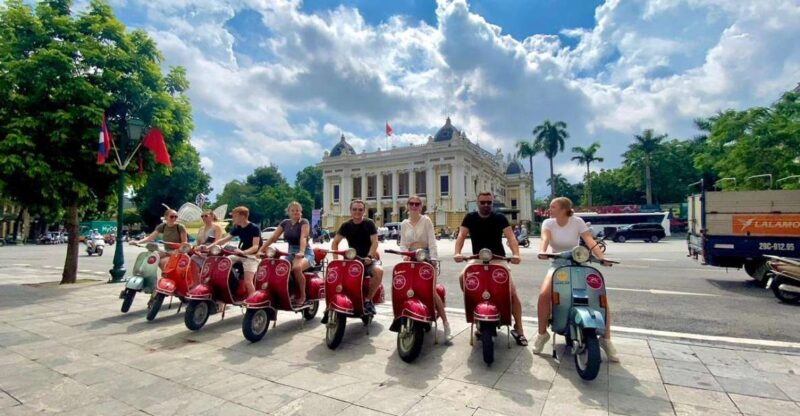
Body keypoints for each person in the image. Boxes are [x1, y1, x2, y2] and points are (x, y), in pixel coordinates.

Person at [532, 197, 618, 362]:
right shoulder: (548, 223)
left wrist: (602, 257)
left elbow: (590, 241)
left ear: (564, 209)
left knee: (601, 299)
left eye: (553, 206)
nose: (550, 209)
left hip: (578, 261)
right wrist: (542, 251)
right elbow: (545, 239)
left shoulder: (577, 221)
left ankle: (606, 339)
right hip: (558, 263)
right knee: (544, 295)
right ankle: (542, 334)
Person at [454, 192, 528, 346]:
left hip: (497, 259)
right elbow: (461, 236)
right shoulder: (470, 217)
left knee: (512, 293)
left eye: (489, 202)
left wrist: (516, 254)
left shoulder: (499, 218)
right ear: (477, 203)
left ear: (492, 203)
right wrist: (457, 253)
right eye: (483, 202)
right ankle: (476, 310)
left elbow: (511, 237)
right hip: (477, 258)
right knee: (463, 278)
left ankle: (519, 328)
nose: (486, 205)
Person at [398, 195, 452, 344]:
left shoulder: (426, 220)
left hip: (425, 255)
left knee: (431, 290)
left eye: (417, 204)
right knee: (405, 286)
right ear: (407, 206)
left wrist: (433, 259)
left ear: (421, 207)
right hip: (410, 256)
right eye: (412, 204)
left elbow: (432, 242)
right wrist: (404, 255)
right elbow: (402, 244)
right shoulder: (404, 223)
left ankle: (446, 324)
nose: (414, 206)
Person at [331, 199, 383, 315]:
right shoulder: (346, 225)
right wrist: (336, 260)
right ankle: (338, 299)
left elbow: (375, 242)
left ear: (364, 211)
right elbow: (335, 243)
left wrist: (370, 256)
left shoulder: (369, 223)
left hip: (368, 259)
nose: (357, 212)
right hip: (352, 260)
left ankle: (368, 300)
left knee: (378, 271)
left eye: (360, 210)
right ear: (350, 211)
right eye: (354, 209)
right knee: (336, 276)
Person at [260, 201, 316, 307]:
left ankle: (302, 296)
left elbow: (303, 237)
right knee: (278, 268)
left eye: (298, 210)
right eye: (293, 210)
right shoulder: (285, 223)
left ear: (301, 212)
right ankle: (285, 292)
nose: (295, 212)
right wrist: (261, 249)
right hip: (290, 253)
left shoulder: (304, 222)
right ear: (288, 212)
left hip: (305, 252)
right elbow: (273, 237)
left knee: (296, 268)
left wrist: (301, 252)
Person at [213, 206, 261, 297]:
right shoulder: (238, 227)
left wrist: (244, 252)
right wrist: (208, 247)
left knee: (248, 281)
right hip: (240, 254)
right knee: (222, 263)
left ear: (242, 216)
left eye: (234, 216)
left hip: (252, 256)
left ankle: (253, 302)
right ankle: (232, 287)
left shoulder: (254, 228)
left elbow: (255, 247)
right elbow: (223, 240)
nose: (232, 218)